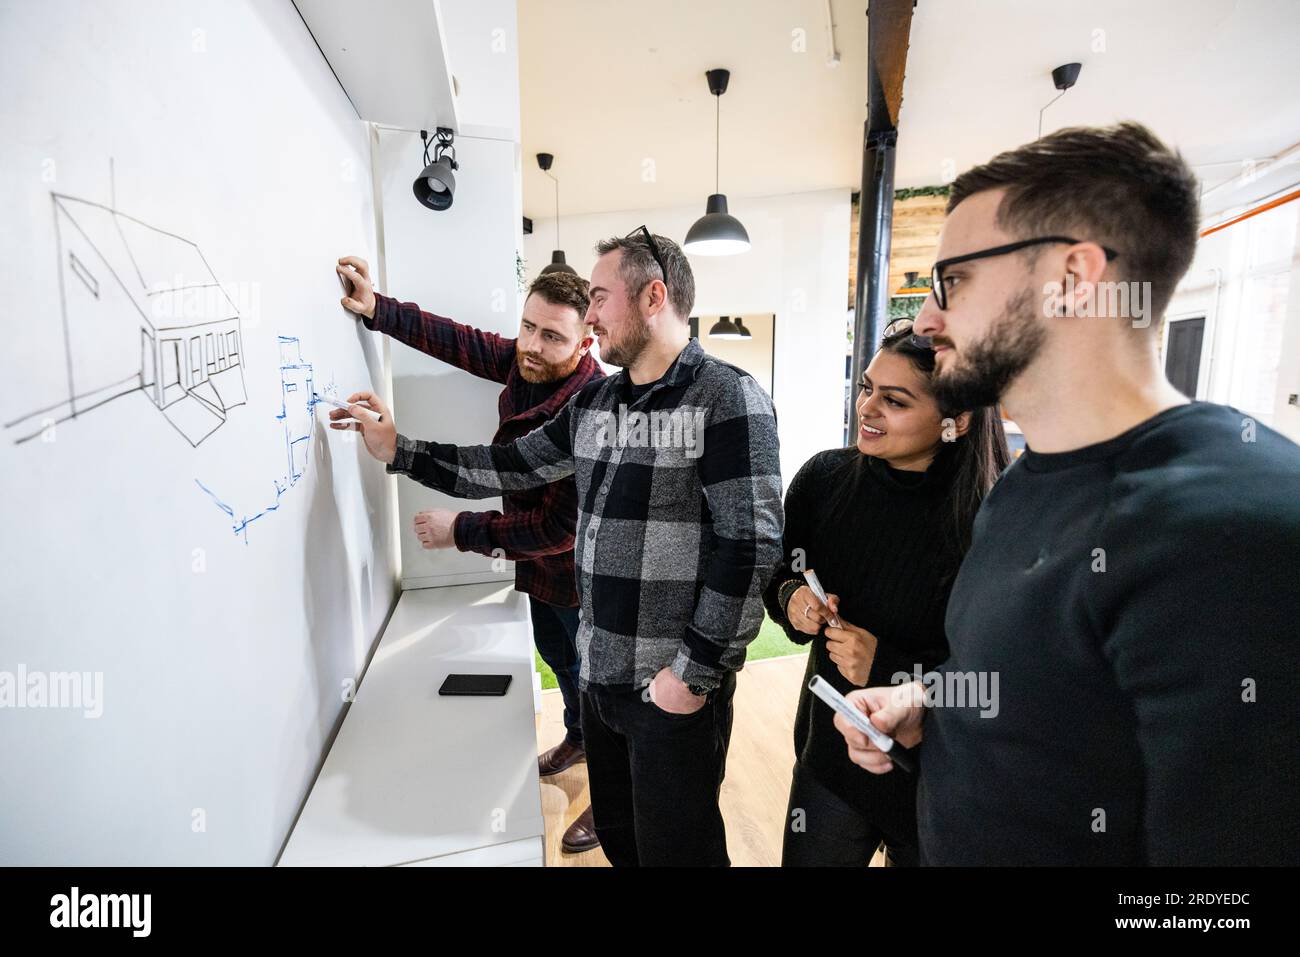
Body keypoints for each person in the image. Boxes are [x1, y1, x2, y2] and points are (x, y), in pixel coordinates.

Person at [834, 122, 1300, 865]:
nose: (927, 318)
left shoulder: (1238, 529)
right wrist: (926, 702)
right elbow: (1020, 681)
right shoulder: (1024, 485)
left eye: (952, 280)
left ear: (1074, 277)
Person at [330, 231, 784, 866]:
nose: (591, 317)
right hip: (602, 680)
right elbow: (512, 465)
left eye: (599, 298)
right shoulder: (598, 402)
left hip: (668, 690)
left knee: (680, 854)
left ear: (654, 297)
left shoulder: (725, 397)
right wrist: (400, 451)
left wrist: (693, 676)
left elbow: (753, 546)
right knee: (625, 846)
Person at [335, 257, 605, 853]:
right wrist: (378, 309)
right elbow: (459, 340)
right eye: (528, 327)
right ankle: (578, 737)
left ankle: (611, 798)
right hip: (535, 565)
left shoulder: (590, 408)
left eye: (552, 335)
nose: (530, 346)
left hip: (579, 570)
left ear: (586, 342)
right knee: (558, 659)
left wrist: (465, 528)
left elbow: (559, 529)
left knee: (599, 684)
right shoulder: (526, 357)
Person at [764, 319, 1008, 866]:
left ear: (957, 421)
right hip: (833, 754)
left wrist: (889, 667)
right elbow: (781, 573)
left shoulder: (993, 523)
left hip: (941, 774)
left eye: (894, 400)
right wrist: (791, 600)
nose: (867, 409)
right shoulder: (824, 479)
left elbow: (1000, 679)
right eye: (866, 388)